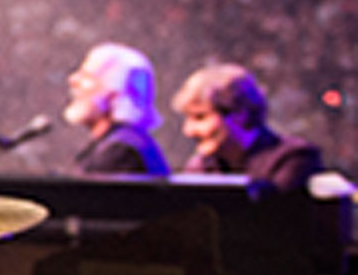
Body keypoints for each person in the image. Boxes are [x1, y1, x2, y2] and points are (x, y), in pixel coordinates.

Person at [173, 61, 322, 193]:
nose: (189, 131)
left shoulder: (292, 159)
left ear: (240, 114)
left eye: (200, 117)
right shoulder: (200, 167)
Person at [64, 43, 170, 176]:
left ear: (114, 92)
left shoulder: (121, 151)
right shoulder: (118, 144)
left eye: (87, 76)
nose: (73, 80)